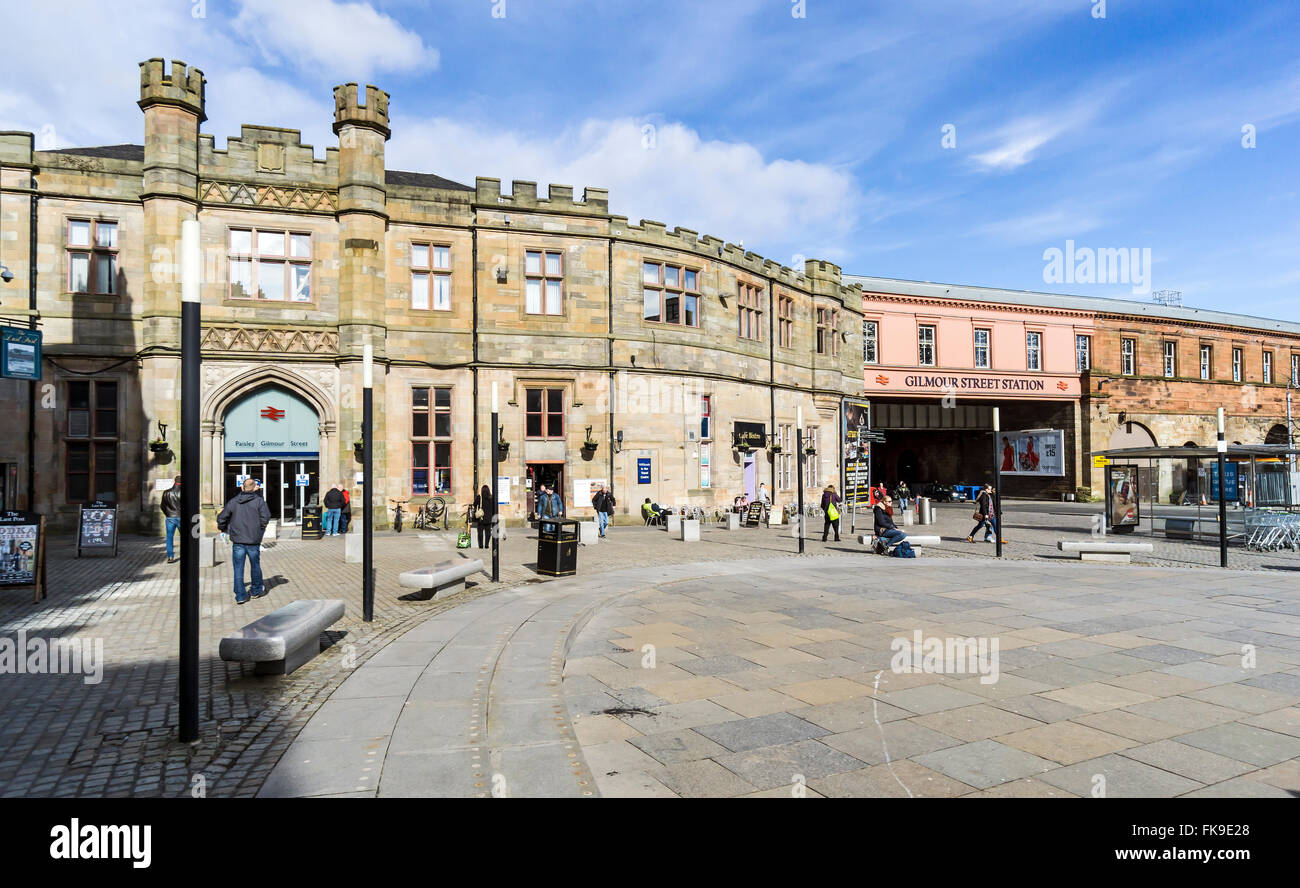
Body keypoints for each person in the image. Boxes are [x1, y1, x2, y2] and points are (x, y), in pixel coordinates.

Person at [217, 477, 272, 604]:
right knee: (255, 566)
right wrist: (260, 528)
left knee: (238, 568)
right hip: (253, 539)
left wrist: (223, 528)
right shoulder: (259, 501)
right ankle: (256, 590)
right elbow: (266, 516)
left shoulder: (234, 501)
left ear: (242, 487)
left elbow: (222, 517)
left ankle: (240, 595)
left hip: (238, 540)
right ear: (254, 488)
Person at [160, 475, 182, 563]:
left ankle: (170, 557)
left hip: (170, 518)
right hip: (181, 517)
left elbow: (162, 506)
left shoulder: (166, 492)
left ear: (174, 482)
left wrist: (168, 514)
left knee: (169, 537)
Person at [474, 484, 495, 549]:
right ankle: (486, 545)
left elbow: (474, 504)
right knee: (488, 532)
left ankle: (481, 545)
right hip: (489, 518)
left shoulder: (479, 497)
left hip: (481, 517)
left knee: (480, 532)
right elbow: (494, 507)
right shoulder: (491, 497)